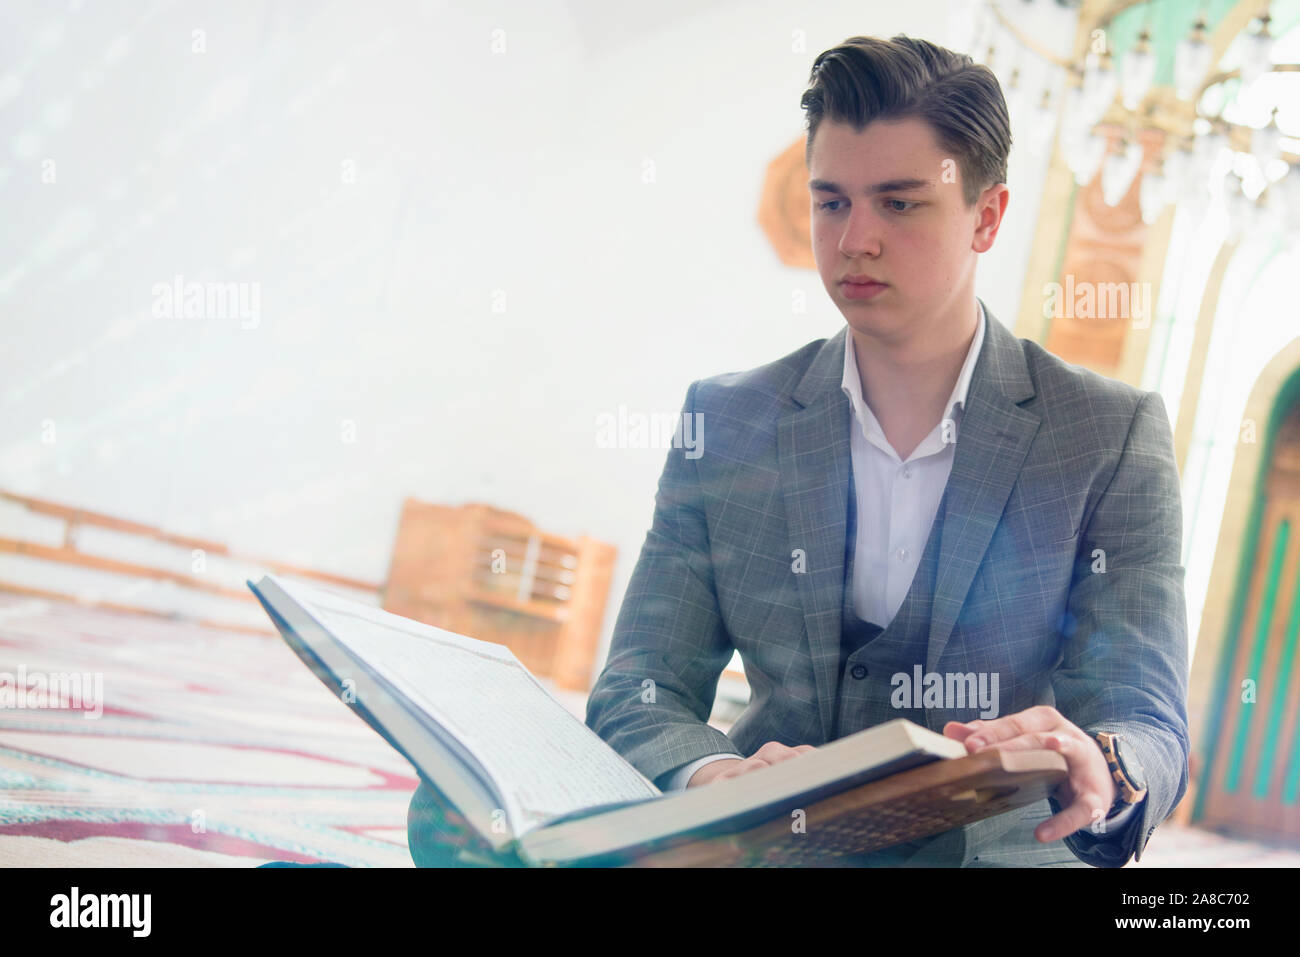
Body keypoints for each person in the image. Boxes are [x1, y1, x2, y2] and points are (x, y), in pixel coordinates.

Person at [581, 33, 1189, 867]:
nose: (855, 239)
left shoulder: (1107, 437)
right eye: (833, 202)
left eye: (899, 204)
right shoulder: (723, 422)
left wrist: (1105, 763)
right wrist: (718, 774)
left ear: (987, 216)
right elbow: (637, 687)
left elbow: (1147, 717)